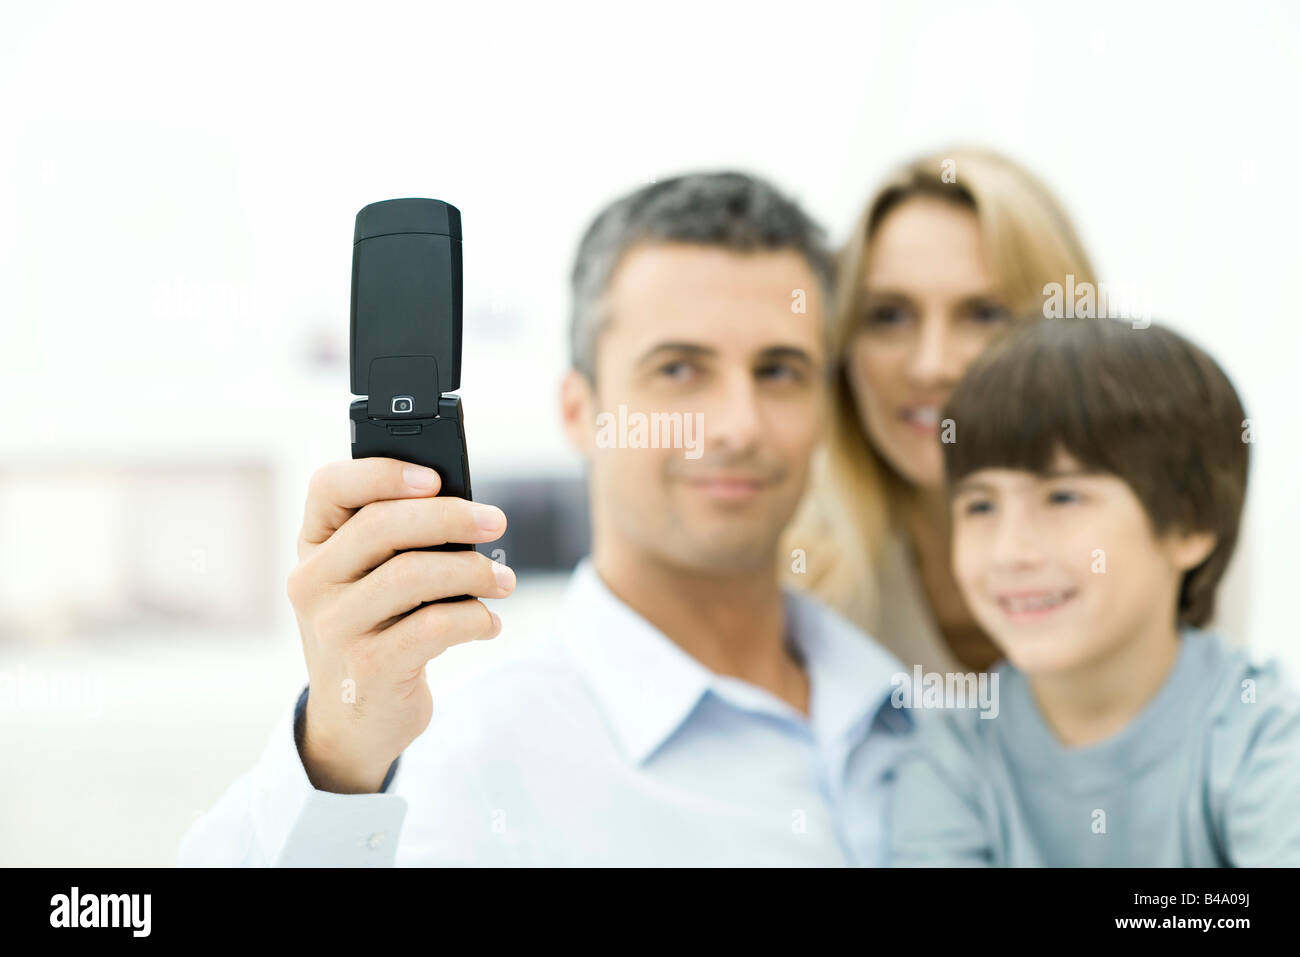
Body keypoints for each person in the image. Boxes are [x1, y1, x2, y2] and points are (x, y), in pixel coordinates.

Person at [178, 171, 912, 867]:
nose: (736, 424)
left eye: (780, 371)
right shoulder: (463, 763)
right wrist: (338, 751)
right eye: (679, 369)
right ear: (577, 410)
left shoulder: (903, 703)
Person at [782, 147, 1250, 675]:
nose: (930, 365)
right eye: (888, 316)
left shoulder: (1170, 512)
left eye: (985, 314)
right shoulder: (795, 559)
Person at [888, 316, 1300, 866]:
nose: (1011, 551)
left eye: (1062, 498)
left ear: (1188, 524)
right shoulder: (951, 759)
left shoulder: (1262, 735)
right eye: (980, 505)